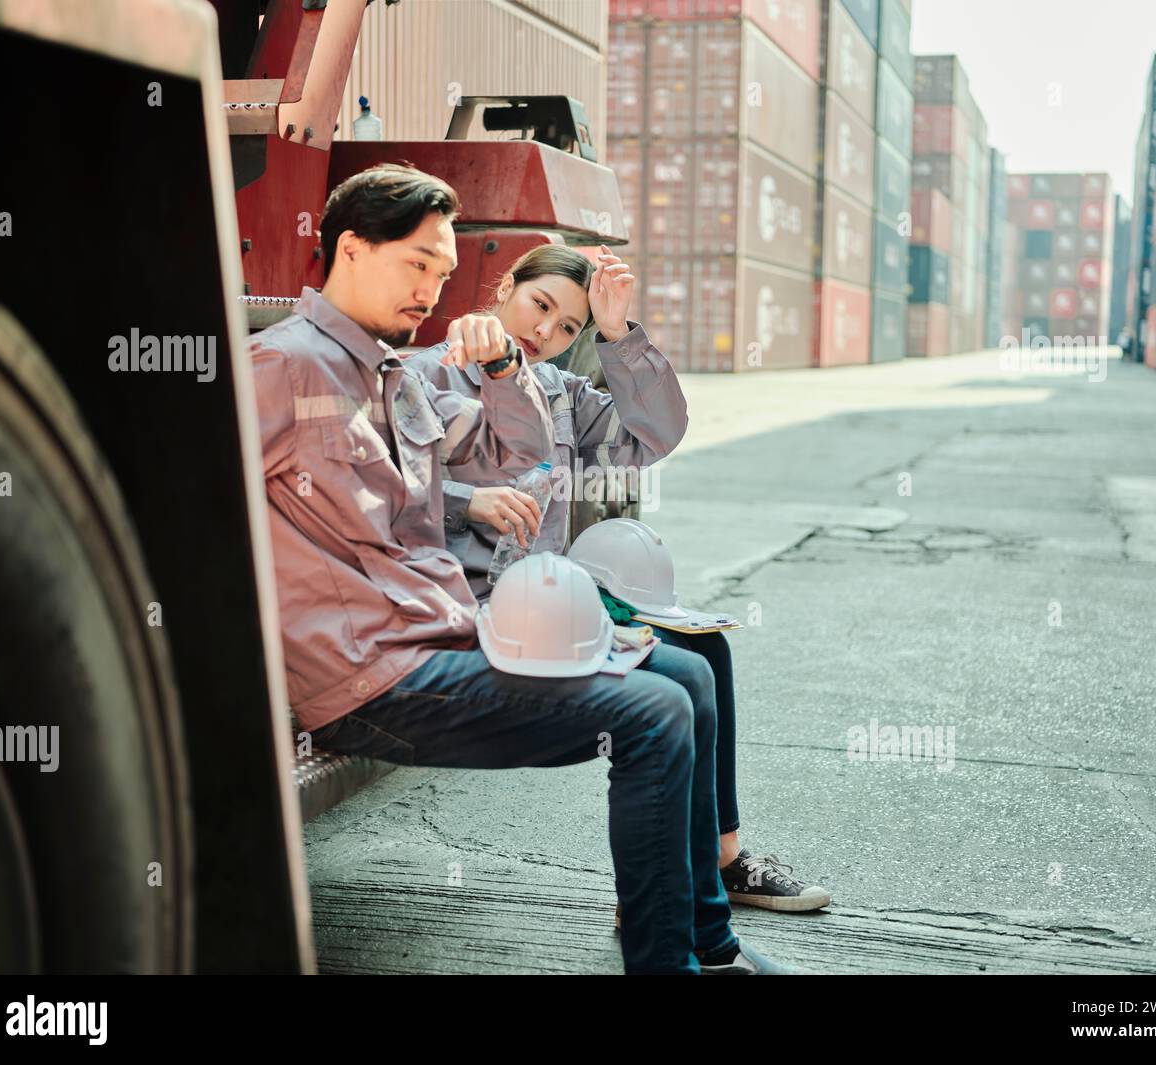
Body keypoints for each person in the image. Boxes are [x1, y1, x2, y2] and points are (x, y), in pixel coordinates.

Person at [249, 162, 788, 974]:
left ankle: (704, 944)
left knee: (687, 679)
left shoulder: (390, 372)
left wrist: (550, 356)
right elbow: (186, 506)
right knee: (656, 711)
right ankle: (679, 956)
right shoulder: (289, 365)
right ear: (351, 250)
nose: (432, 287)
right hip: (374, 665)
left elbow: (539, 458)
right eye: (416, 264)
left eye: (440, 269)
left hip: (446, 630)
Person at [409, 244, 831, 914]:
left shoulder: (562, 394)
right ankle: (671, 887)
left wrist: (616, 334)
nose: (546, 330)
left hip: (547, 599)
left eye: (567, 326)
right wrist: (467, 500)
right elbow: (384, 489)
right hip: (467, 604)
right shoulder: (426, 374)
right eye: (539, 304)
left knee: (704, 649)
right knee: (671, 680)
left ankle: (723, 859)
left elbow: (655, 435)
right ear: (505, 286)